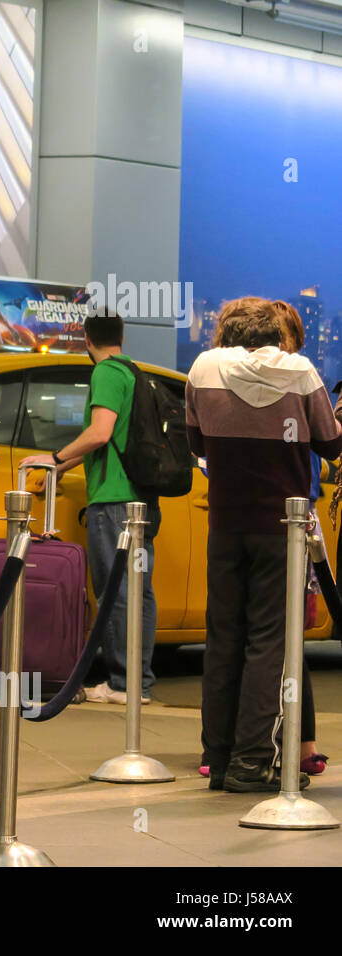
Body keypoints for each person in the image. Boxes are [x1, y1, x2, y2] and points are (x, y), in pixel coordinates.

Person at [186, 296, 342, 792]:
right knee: (270, 643)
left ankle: (219, 757)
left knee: (224, 639)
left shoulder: (202, 369)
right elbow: (331, 445)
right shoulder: (301, 371)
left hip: (224, 525)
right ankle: (254, 764)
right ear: (279, 331)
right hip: (285, 527)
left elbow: (196, 445)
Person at [20, 309, 160, 705]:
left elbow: (99, 434)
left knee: (115, 591)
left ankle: (121, 684)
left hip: (113, 500)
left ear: (87, 339)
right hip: (140, 501)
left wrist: (52, 455)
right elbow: (111, 439)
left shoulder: (106, 373)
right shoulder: (133, 373)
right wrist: (61, 465)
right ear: (121, 336)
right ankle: (139, 682)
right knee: (140, 592)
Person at [265, 299, 327, 776]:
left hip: (280, 526)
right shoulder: (306, 381)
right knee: (291, 642)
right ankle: (303, 745)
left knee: (268, 639)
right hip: (301, 523)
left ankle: (279, 744)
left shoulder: (281, 382)